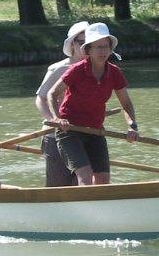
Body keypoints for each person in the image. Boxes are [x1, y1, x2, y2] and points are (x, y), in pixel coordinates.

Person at [46, 23, 138, 186]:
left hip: (95, 131)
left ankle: (103, 209)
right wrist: (57, 118)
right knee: (85, 177)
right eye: (97, 47)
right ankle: (87, 209)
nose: (102, 51)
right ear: (88, 50)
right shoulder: (77, 70)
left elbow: (126, 103)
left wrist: (132, 126)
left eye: (105, 46)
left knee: (103, 180)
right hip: (70, 131)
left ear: (110, 49)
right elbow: (51, 94)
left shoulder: (115, 72)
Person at [35, 21, 89, 187]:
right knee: (58, 186)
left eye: (90, 44)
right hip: (57, 135)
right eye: (81, 42)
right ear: (72, 44)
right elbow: (41, 98)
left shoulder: (96, 69)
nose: (86, 47)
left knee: (86, 181)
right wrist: (54, 120)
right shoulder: (58, 69)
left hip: (86, 134)